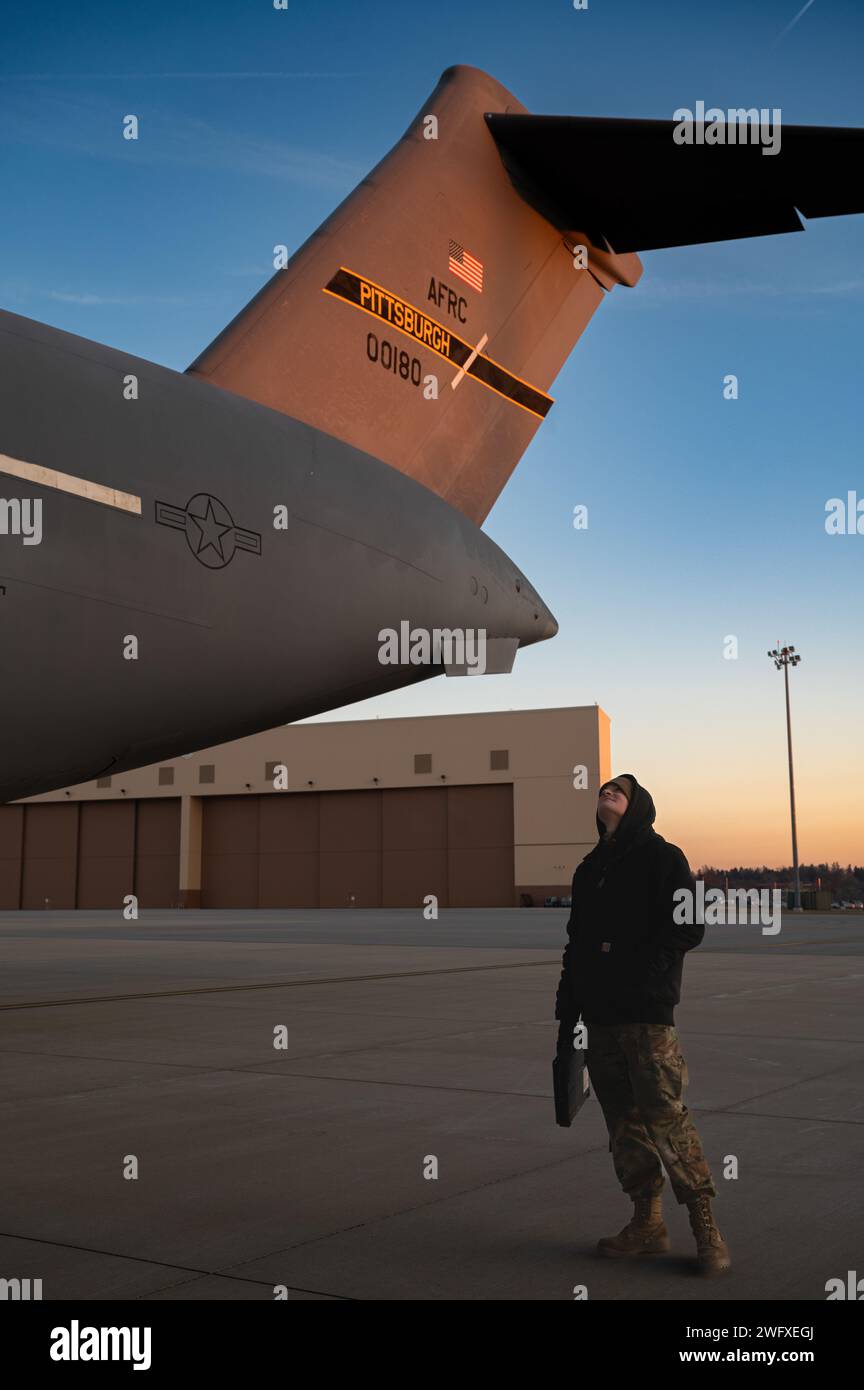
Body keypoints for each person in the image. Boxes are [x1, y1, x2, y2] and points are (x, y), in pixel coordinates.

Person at [554, 773, 731, 1277]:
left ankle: (705, 1228)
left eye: (620, 788)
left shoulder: (663, 857)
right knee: (624, 1126)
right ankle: (647, 1224)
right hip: (599, 1019)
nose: (608, 790)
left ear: (638, 806)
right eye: (604, 787)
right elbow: (576, 945)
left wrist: (641, 978)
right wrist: (568, 1011)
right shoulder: (589, 871)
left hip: (647, 1017)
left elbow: (689, 927)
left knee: (667, 1119)